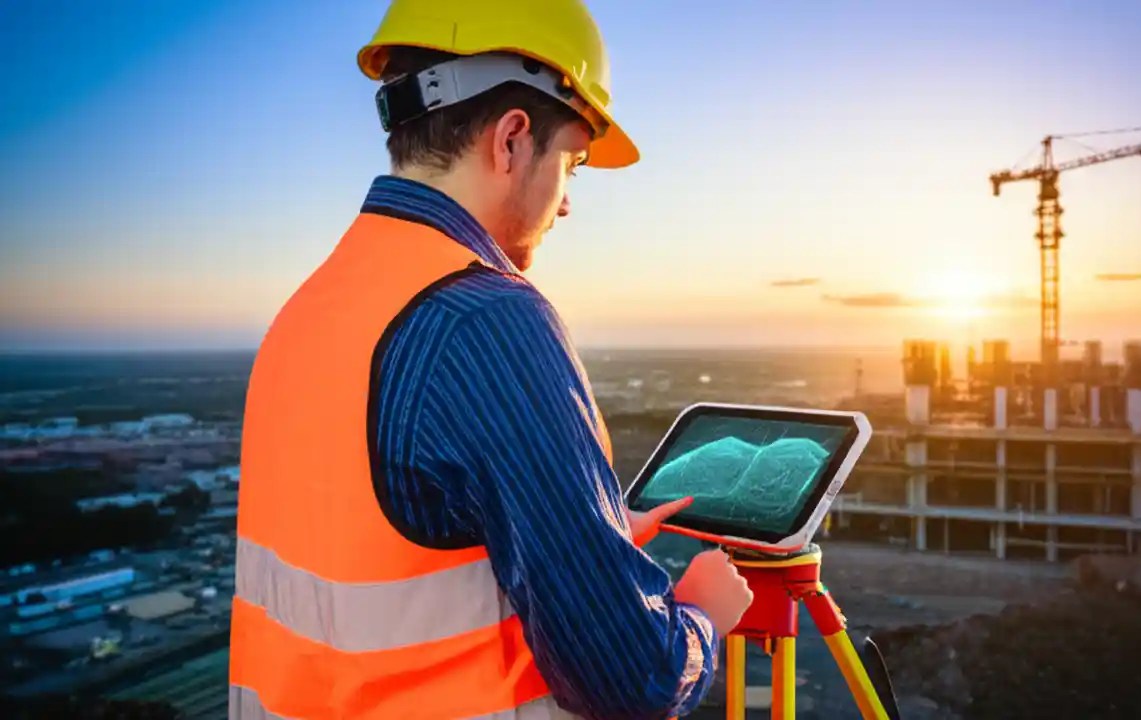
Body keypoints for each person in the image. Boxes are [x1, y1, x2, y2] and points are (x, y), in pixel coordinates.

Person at [227, 1, 754, 719]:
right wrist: (697, 614)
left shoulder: (309, 311)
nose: (566, 203)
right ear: (511, 140)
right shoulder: (487, 318)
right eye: (573, 161)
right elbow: (633, 679)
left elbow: (375, 561)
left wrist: (579, 544)